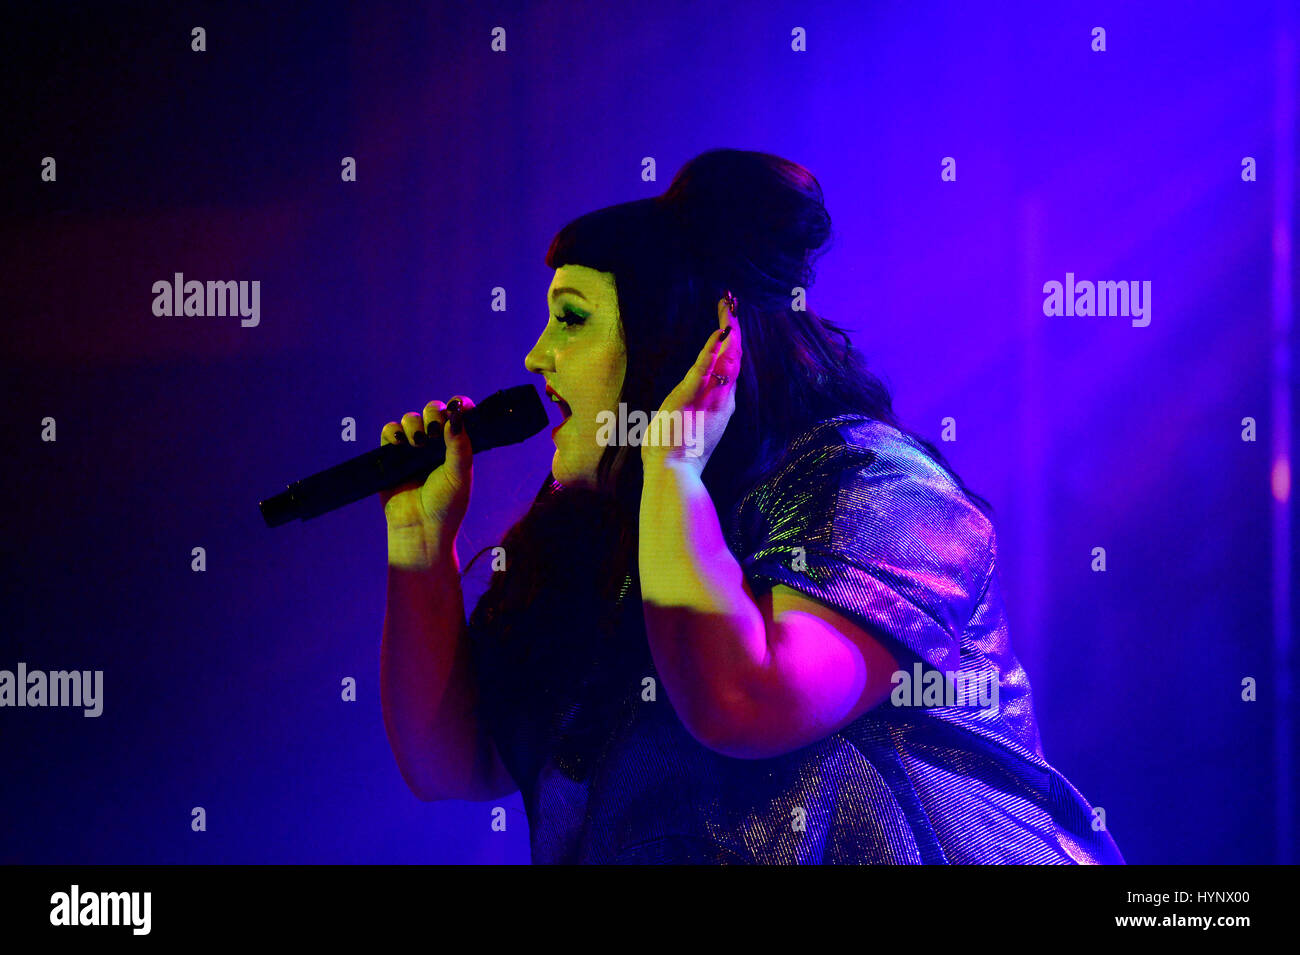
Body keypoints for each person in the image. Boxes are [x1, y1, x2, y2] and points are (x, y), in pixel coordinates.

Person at [378, 148, 1125, 864]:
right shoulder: (602, 540)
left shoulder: (873, 483)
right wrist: (418, 543)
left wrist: (672, 466)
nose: (537, 356)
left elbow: (743, 700)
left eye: (571, 318)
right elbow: (454, 759)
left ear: (677, 334)